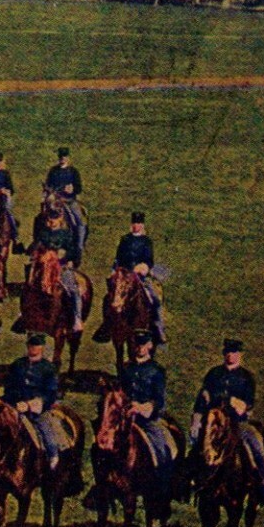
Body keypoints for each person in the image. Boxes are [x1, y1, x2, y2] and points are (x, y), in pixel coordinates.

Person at [191, 338, 264, 504]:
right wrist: (196, 421)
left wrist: (235, 403)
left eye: (234, 352)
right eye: (228, 352)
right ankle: (191, 480)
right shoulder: (214, 374)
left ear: (240, 355)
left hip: (237, 422)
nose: (230, 355)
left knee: (255, 445)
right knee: (196, 445)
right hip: (213, 422)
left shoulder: (246, 378)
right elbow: (201, 399)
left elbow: (247, 404)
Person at [119, 329, 174, 496]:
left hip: (146, 420)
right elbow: (121, 391)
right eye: (137, 344)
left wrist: (142, 408)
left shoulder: (157, 370)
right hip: (126, 417)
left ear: (150, 346)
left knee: (162, 447)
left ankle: (161, 484)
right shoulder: (126, 368)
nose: (140, 348)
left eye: (143, 345)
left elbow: (159, 400)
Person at [3, 333, 65, 469]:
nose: (33, 349)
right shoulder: (17, 364)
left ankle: (53, 456)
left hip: (37, 409)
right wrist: (14, 401)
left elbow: (50, 393)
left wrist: (31, 404)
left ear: (42, 348)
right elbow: (9, 386)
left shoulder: (48, 368)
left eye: (36, 346)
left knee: (45, 427)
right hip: (15, 406)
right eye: (31, 346)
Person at [103, 211, 164, 345]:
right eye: (134, 223)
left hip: (139, 276)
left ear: (142, 225)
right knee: (108, 298)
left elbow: (149, 260)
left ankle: (158, 328)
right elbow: (118, 258)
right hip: (124, 274)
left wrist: (143, 267)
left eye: (138, 223)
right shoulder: (125, 239)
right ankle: (106, 326)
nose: (136, 226)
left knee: (154, 297)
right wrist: (114, 270)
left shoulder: (146, 241)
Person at [31, 206, 83, 331]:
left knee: (73, 289)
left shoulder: (66, 234)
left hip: (61, 266)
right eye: (50, 219)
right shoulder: (43, 233)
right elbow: (36, 246)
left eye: (55, 219)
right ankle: (24, 313)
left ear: (60, 219)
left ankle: (77, 318)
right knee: (31, 286)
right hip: (44, 266)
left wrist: (66, 256)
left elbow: (73, 250)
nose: (52, 222)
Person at [43, 147, 86, 255]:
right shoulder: (53, 171)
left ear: (68, 158)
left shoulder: (73, 172)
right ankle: (37, 242)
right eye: (61, 157)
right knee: (40, 218)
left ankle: (79, 247)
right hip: (55, 201)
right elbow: (48, 186)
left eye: (65, 157)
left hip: (69, 200)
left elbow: (79, 188)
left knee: (80, 220)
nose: (63, 159)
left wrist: (72, 189)